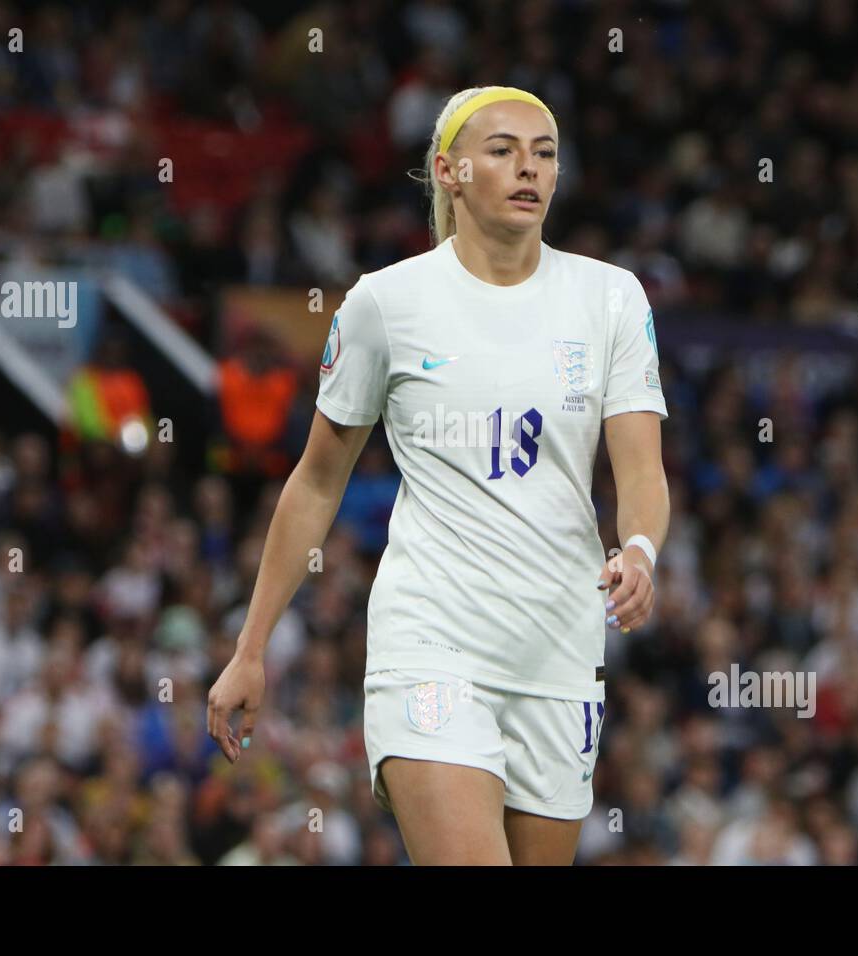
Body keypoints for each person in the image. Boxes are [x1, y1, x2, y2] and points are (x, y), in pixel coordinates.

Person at [207, 86, 670, 865]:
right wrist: (252, 646)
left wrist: (642, 551)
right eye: (503, 150)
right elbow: (318, 481)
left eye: (545, 152)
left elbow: (641, 469)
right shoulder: (387, 304)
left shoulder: (610, 299)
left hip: (560, 649)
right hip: (433, 642)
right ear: (450, 172)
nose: (529, 168)